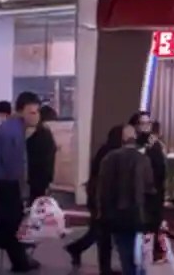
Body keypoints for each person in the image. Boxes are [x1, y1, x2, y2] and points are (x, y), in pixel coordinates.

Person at [0, 91, 41, 273]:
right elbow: (14, 164)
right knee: (10, 222)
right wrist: (22, 190)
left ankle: (19, 262)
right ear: (21, 111)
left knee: (11, 222)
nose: (36, 117)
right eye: (32, 112)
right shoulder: (13, 132)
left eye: (37, 112)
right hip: (7, 183)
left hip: (4, 182)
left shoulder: (13, 128)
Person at [96, 124, 155, 275]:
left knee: (125, 253)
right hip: (138, 214)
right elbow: (150, 189)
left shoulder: (108, 159)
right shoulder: (143, 159)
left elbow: (103, 190)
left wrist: (102, 212)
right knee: (140, 254)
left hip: (117, 214)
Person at [66, 125, 123, 273]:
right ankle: (104, 268)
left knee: (98, 231)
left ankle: (76, 249)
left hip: (97, 196)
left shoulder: (105, 151)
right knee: (102, 234)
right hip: (101, 198)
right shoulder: (111, 154)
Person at [130, 111, 168, 263]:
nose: (146, 127)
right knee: (142, 222)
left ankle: (156, 252)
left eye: (148, 123)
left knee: (155, 221)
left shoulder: (156, 144)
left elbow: (161, 166)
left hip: (155, 189)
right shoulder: (133, 144)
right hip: (139, 190)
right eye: (142, 123)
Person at [26, 105, 58, 201]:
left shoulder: (37, 133)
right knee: (38, 198)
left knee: (36, 197)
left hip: (36, 173)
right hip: (41, 172)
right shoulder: (44, 133)